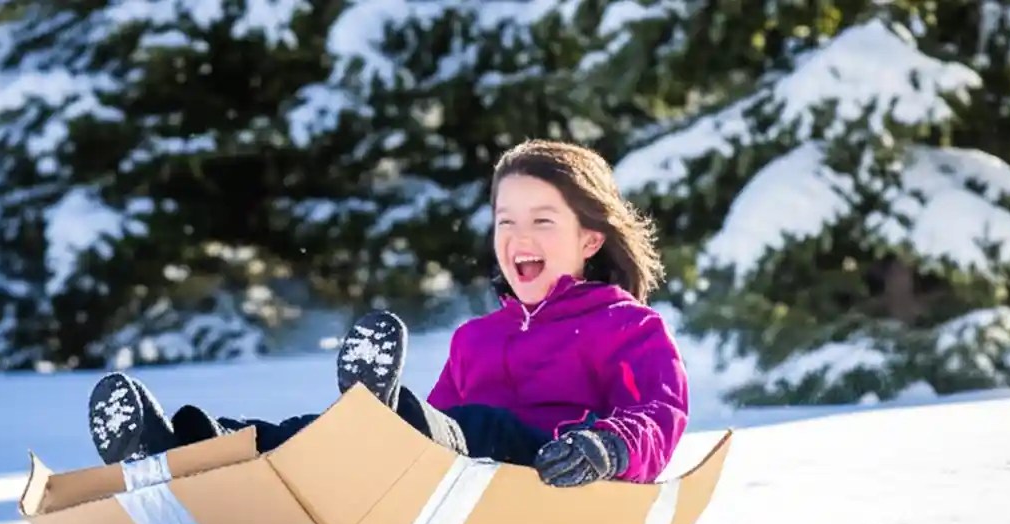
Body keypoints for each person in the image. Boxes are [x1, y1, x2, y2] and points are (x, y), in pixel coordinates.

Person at [87, 139, 688, 487]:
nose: (518, 236)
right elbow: (438, 423)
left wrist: (606, 447)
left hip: (548, 475)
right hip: (463, 477)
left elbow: (662, 412)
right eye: (506, 221)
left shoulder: (626, 325)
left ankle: (376, 415)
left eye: (543, 221)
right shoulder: (476, 338)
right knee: (334, 429)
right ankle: (185, 451)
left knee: (478, 425)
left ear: (590, 240)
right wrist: (388, 432)